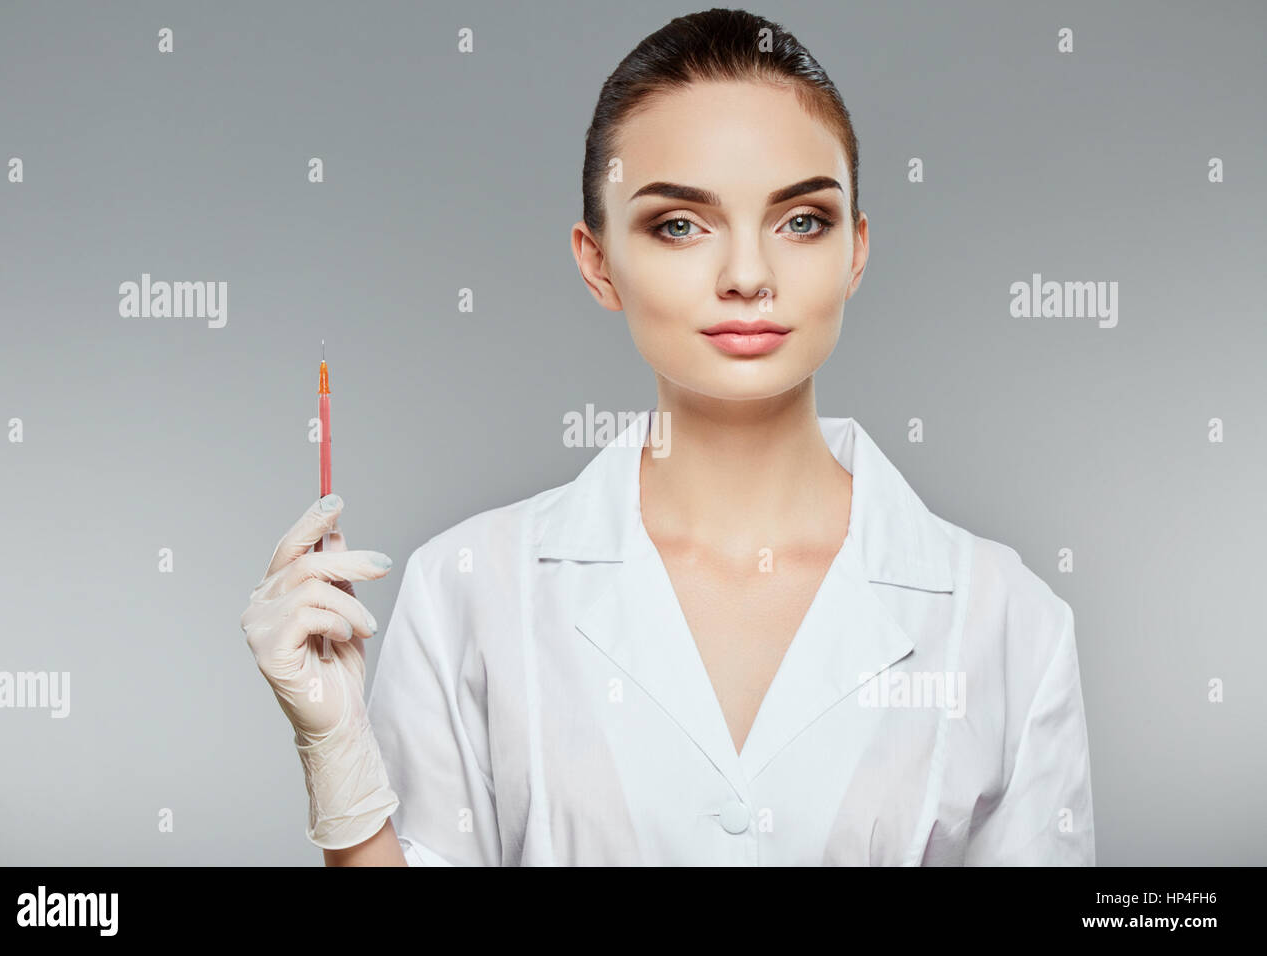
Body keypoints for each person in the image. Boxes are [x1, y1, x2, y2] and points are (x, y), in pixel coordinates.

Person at [241, 8, 1094, 866]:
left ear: (856, 252)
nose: (749, 276)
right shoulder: (468, 588)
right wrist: (338, 760)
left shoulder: (1006, 620)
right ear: (598, 260)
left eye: (802, 220)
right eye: (680, 224)